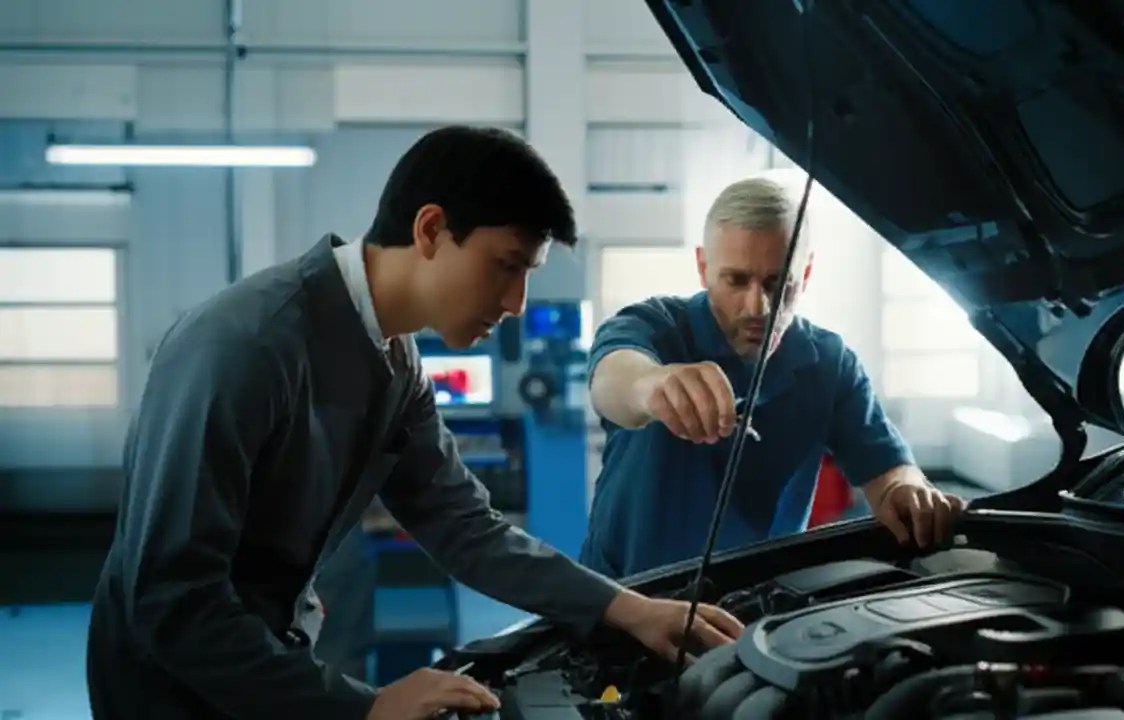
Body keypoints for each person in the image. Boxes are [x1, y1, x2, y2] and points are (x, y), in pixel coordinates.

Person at [86, 126, 744, 720]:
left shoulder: (397, 362)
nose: (517, 304)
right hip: (172, 689)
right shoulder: (242, 346)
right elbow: (171, 600)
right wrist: (362, 707)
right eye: (506, 265)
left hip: (270, 660)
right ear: (430, 230)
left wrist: (627, 608)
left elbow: (466, 529)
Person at [581, 175, 967, 579]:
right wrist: (652, 385)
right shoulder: (653, 326)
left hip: (756, 601)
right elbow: (613, 379)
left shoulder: (828, 363)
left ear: (808, 273)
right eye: (736, 280)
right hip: (628, 595)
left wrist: (906, 490)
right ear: (703, 266)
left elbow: (888, 470)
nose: (758, 307)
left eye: (777, 282)